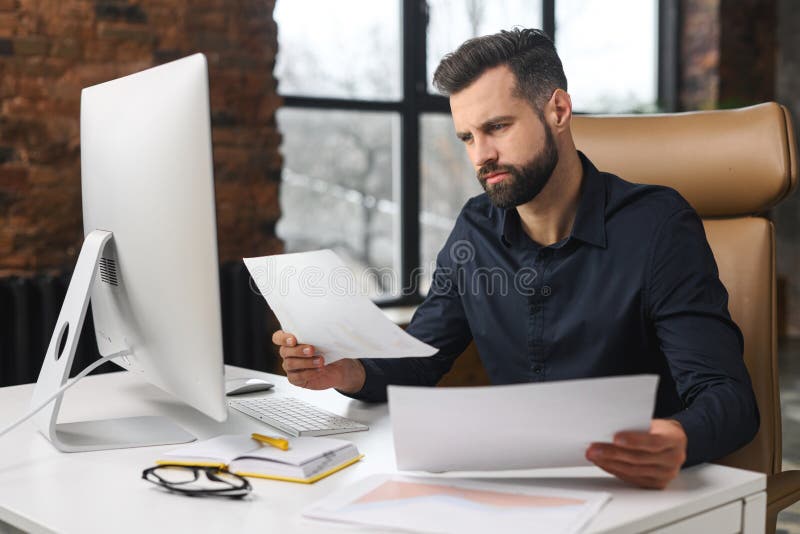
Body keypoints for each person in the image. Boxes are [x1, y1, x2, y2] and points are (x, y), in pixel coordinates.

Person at [271, 28, 759, 489]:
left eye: (497, 127)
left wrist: (676, 438)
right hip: (520, 484)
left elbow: (729, 399)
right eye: (467, 137)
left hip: (631, 485)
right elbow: (421, 360)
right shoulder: (475, 228)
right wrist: (347, 371)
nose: (481, 155)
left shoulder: (657, 226)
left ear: (559, 110)